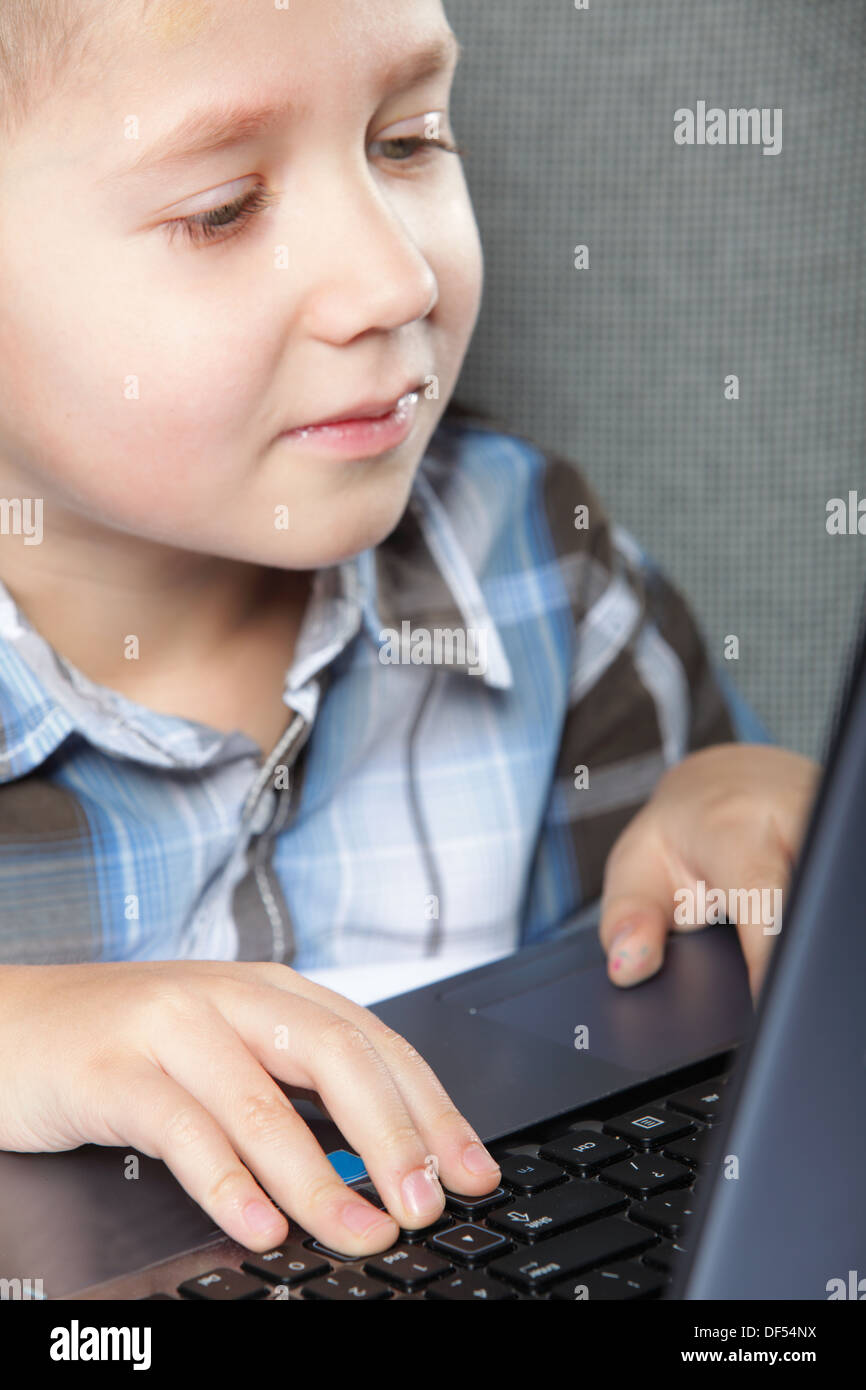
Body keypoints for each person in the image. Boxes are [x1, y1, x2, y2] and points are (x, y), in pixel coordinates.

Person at [0, 0, 819, 1260]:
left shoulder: (531, 561)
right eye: (223, 208)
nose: (398, 279)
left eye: (406, 139)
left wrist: (727, 802)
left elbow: (684, 917)